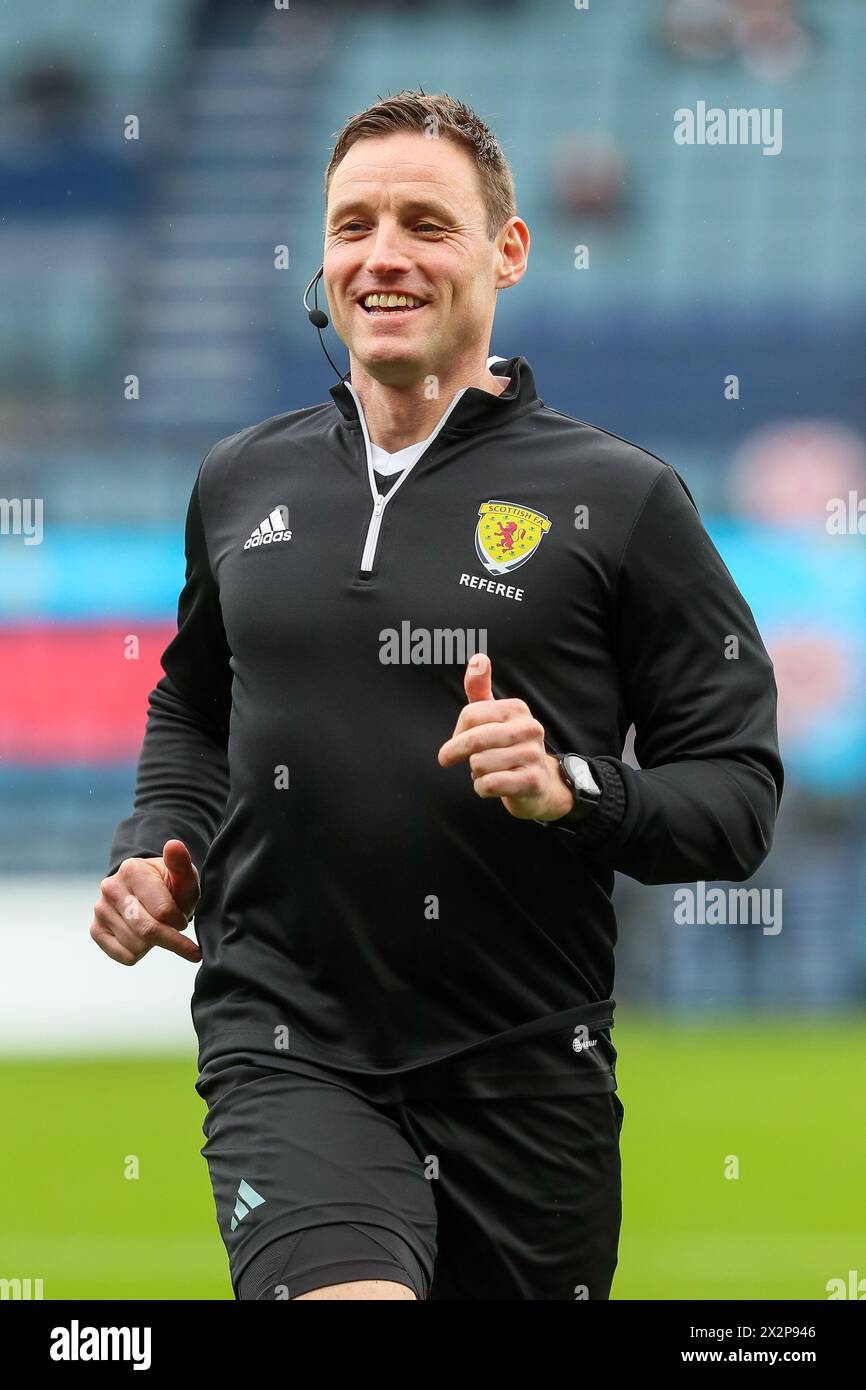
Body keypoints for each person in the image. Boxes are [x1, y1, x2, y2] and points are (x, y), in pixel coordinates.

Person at [92, 89, 783, 1300]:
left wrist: (573, 788)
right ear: (320, 257)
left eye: (425, 222)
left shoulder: (620, 502)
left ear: (507, 251)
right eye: (352, 224)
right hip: (289, 1044)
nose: (381, 256)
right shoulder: (238, 479)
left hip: (528, 1070)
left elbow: (734, 799)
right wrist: (157, 846)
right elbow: (193, 710)